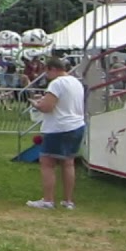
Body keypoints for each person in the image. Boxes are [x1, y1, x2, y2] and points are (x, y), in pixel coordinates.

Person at [27, 57, 85, 209]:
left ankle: (48, 201)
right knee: (68, 163)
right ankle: (68, 201)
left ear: (52, 69)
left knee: (47, 163)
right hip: (77, 125)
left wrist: (36, 104)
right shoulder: (76, 82)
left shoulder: (57, 83)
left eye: (46, 71)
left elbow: (47, 107)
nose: (46, 76)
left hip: (59, 127)